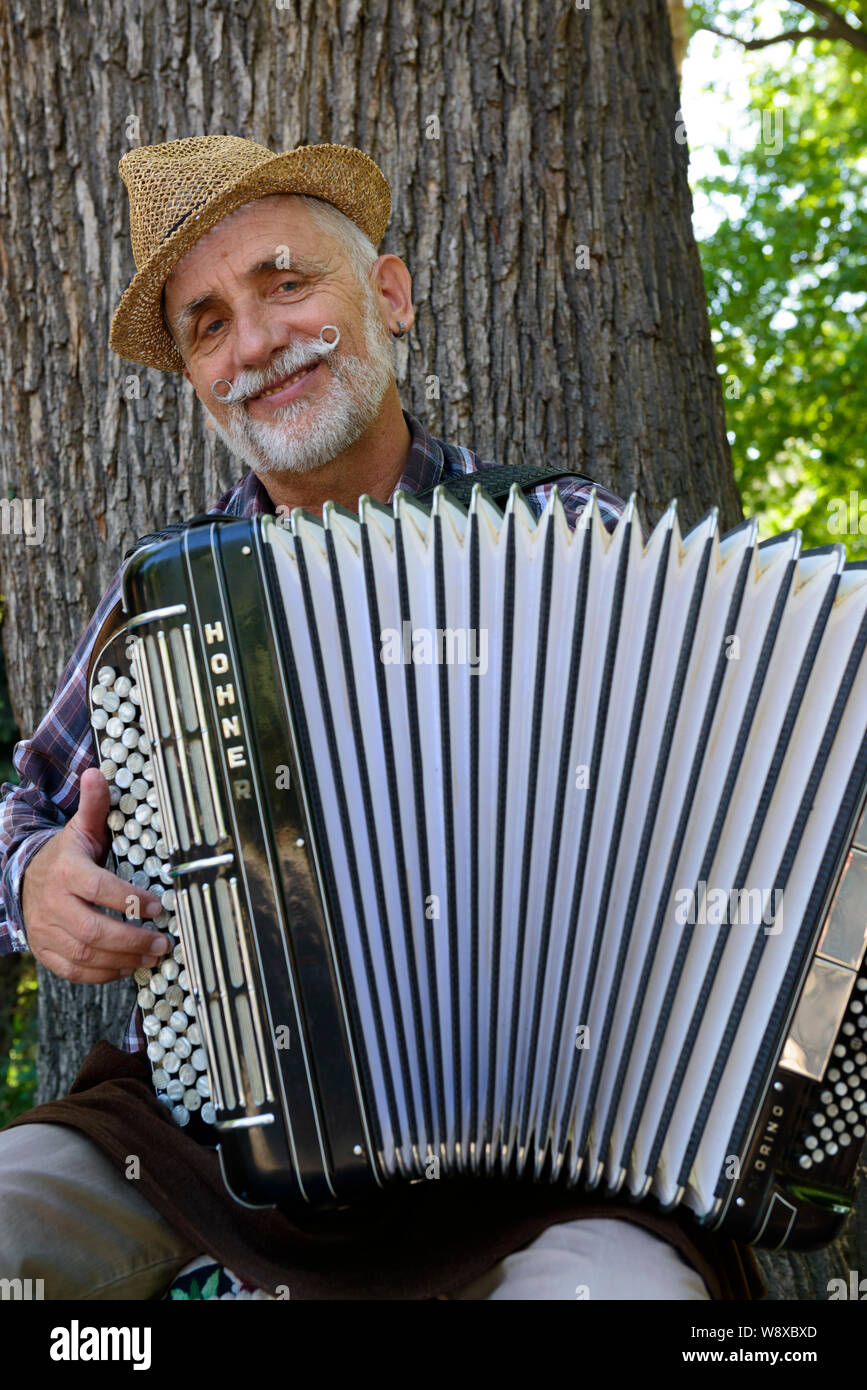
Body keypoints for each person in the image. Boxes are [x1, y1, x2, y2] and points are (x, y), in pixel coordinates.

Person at [0, 136, 755, 1300]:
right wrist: (36, 880)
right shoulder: (165, 607)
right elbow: (25, 812)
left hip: (556, 1157)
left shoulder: (563, 540)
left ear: (388, 295)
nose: (254, 344)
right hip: (214, 1141)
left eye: (287, 284)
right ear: (197, 378)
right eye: (207, 324)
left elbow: (755, 794)